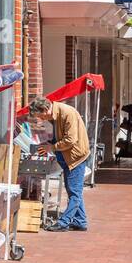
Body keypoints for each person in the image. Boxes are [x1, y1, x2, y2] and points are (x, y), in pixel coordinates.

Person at [28, 96, 90, 232]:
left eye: (41, 116)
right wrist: (49, 144)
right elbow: (61, 136)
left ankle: (63, 222)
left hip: (75, 158)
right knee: (73, 191)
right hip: (68, 158)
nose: (42, 119)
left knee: (74, 193)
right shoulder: (55, 116)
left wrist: (52, 147)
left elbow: (71, 139)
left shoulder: (66, 113)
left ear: (45, 109)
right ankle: (81, 221)